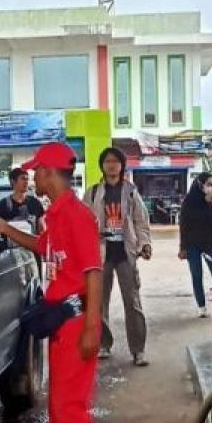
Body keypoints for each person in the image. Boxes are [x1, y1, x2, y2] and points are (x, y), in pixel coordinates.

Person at [0, 142, 106, 423]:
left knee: (70, 407)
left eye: (37, 171)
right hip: (60, 322)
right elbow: (45, 249)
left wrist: (92, 328)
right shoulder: (54, 216)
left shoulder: (77, 216)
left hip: (75, 323)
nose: (32, 177)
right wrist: (8, 231)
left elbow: (93, 272)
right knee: (58, 406)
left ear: (52, 173)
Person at [83, 147, 152, 367]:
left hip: (125, 253)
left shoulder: (131, 191)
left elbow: (141, 221)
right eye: (107, 161)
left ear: (122, 166)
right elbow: (82, 223)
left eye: (115, 161)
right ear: (102, 166)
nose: (111, 165)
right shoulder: (92, 192)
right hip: (100, 254)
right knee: (99, 302)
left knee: (132, 303)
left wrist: (145, 243)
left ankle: (138, 350)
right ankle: (104, 343)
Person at [179, 172, 212, 318]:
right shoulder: (188, 202)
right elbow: (183, 226)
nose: (211, 187)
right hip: (192, 244)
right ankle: (201, 305)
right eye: (208, 184)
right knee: (196, 274)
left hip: (209, 242)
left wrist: (211, 204)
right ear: (200, 184)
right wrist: (182, 247)